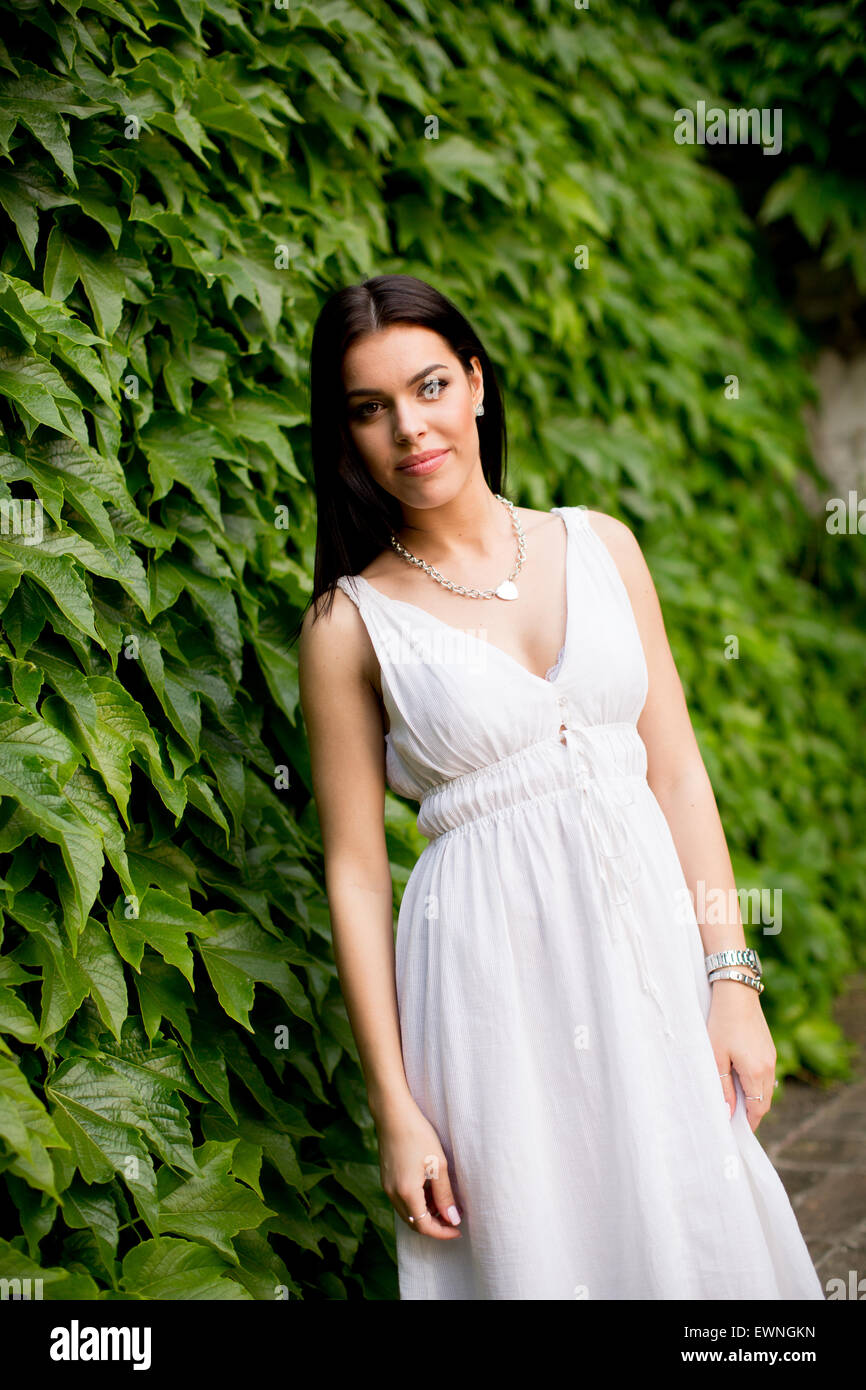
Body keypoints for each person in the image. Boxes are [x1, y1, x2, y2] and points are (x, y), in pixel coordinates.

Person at [297, 273, 825, 1300]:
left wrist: (730, 981)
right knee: (540, 1248)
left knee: (697, 1223)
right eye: (370, 408)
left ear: (477, 385)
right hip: (484, 982)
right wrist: (395, 1109)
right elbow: (357, 876)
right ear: (346, 432)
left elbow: (674, 769)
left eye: (431, 384)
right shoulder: (348, 626)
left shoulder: (599, 544)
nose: (410, 428)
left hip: (647, 960)